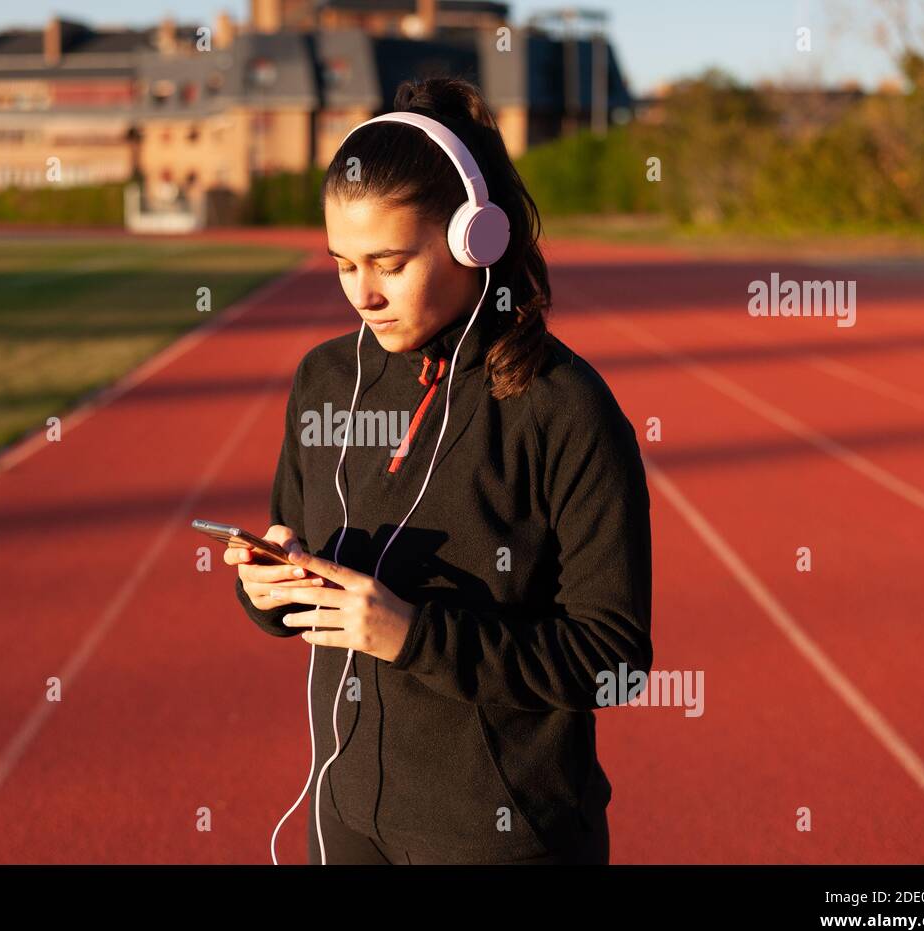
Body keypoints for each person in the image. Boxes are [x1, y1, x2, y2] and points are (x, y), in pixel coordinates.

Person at [225, 75, 652, 865]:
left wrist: (418, 637)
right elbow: (303, 578)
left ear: (473, 240)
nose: (365, 295)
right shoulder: (323, 381)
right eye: (344, 264)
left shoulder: (563, 406)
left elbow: (615, 663)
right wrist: (268, 589)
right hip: (348, 819)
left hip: (505, 838)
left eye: (389, 262)